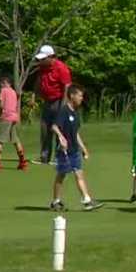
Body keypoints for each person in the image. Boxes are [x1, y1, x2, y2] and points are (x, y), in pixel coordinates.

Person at [49, 84, 103, 212]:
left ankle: (87, 200)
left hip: (74, 150)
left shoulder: (76, 113)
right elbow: (54, 126)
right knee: (61, 176)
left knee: (79, 174)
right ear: (72, 95)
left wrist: (83, 148)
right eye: (79, 95)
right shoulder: (64, 111)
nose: (81, 98)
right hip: (63, 151)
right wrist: (61, 138)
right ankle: (55, 201)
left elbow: (75, 133)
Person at [34, 44, 72, 164]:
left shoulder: (61, 68)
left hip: (59, 101)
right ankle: (45, 157)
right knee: (44, 129)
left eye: (43, 59)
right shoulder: (42, 68)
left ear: (51, 57)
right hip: (47, 101)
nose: (40, 61)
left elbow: (67, 86)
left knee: (58, 129)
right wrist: (34, 95)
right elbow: (39, 82)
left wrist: (64, 104)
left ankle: (59, 157)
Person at [0, 74, 28, 170]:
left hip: (5, 117)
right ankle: (22, 161)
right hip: (13, 118)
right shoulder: (13, 92)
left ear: (5, 82)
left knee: (0, 140)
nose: (0, 85)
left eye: (1, 83)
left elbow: (1, 105)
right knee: (15, 139)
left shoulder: (4, 91)